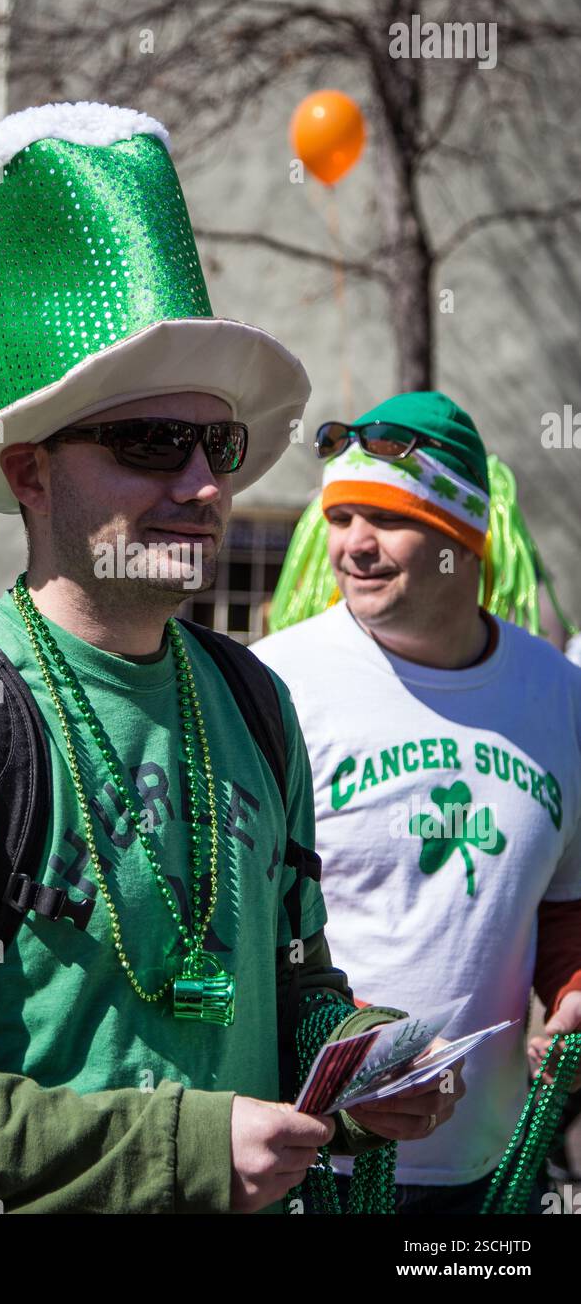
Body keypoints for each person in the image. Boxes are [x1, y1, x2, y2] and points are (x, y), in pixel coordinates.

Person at [0, 101, 463, 1216]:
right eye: (149, 442)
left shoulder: (251, 700)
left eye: (217, 444)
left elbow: (291, 983)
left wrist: (359, 1054)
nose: (200, 484)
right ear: (31, 472)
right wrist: (179, 1150)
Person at [251, 391, 581, 1214]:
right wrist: (352, 1041)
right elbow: (234, 926)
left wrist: (575, 987)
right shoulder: (272, 682)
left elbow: (566, 902)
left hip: (493, 1173)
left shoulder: (559, 694)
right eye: (341, 516)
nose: (353, 546)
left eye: (386, 519)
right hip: (307, 1161)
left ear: (461, 540)